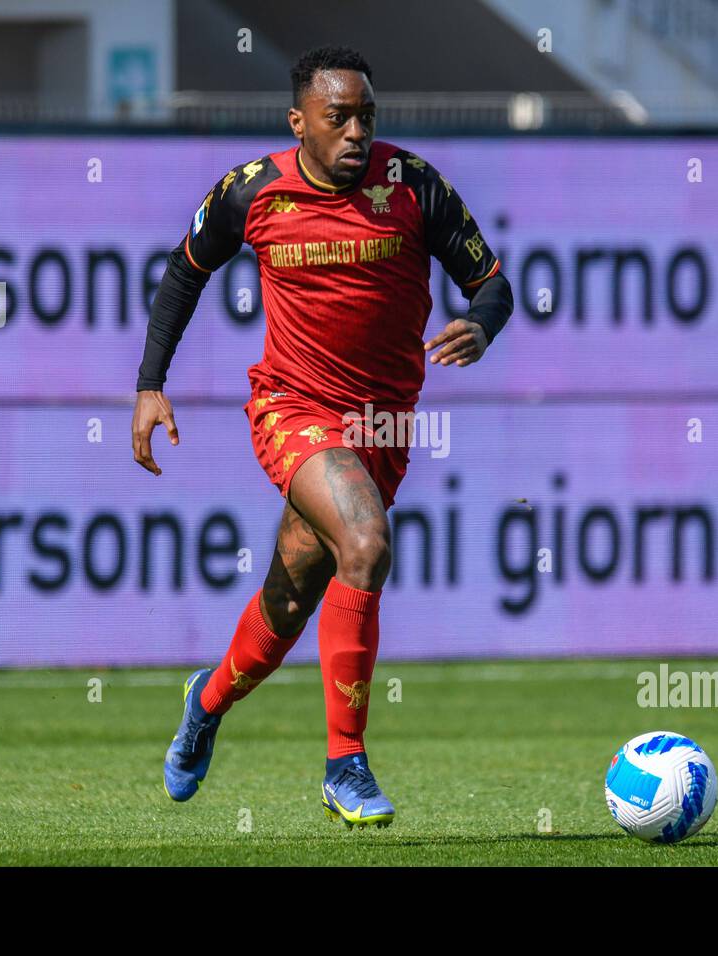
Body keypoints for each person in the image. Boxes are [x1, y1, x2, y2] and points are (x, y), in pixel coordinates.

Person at [132, 45, 513, 829]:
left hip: (383, 425)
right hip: (293, 407)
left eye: (365, 115)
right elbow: (184, 269)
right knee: (367, 543)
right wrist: (149, 386)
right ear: (298, 121)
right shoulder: (252, 192)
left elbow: (495, 285)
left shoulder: (415, 186)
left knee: (288, 602)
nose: (355, 132)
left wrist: (480, 324)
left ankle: (205, 701)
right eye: (337, 116)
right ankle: (346, 766)